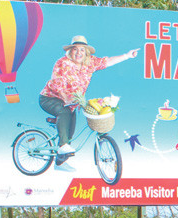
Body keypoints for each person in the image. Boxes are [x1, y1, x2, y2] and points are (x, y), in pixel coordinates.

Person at [39, 35, 137, 171]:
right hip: (50, 98)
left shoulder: (89, 63)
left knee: (69, 134)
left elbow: (107, 62)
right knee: (64, 113)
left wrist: (127, 55)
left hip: (71, 104)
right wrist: (66, 99)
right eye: (75, 49)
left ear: (86, 52)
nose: (79, 53)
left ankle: (59, 164)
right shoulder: (63, 63)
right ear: (70, 51)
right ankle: (62, 146)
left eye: (82, 50)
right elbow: (57, 84)